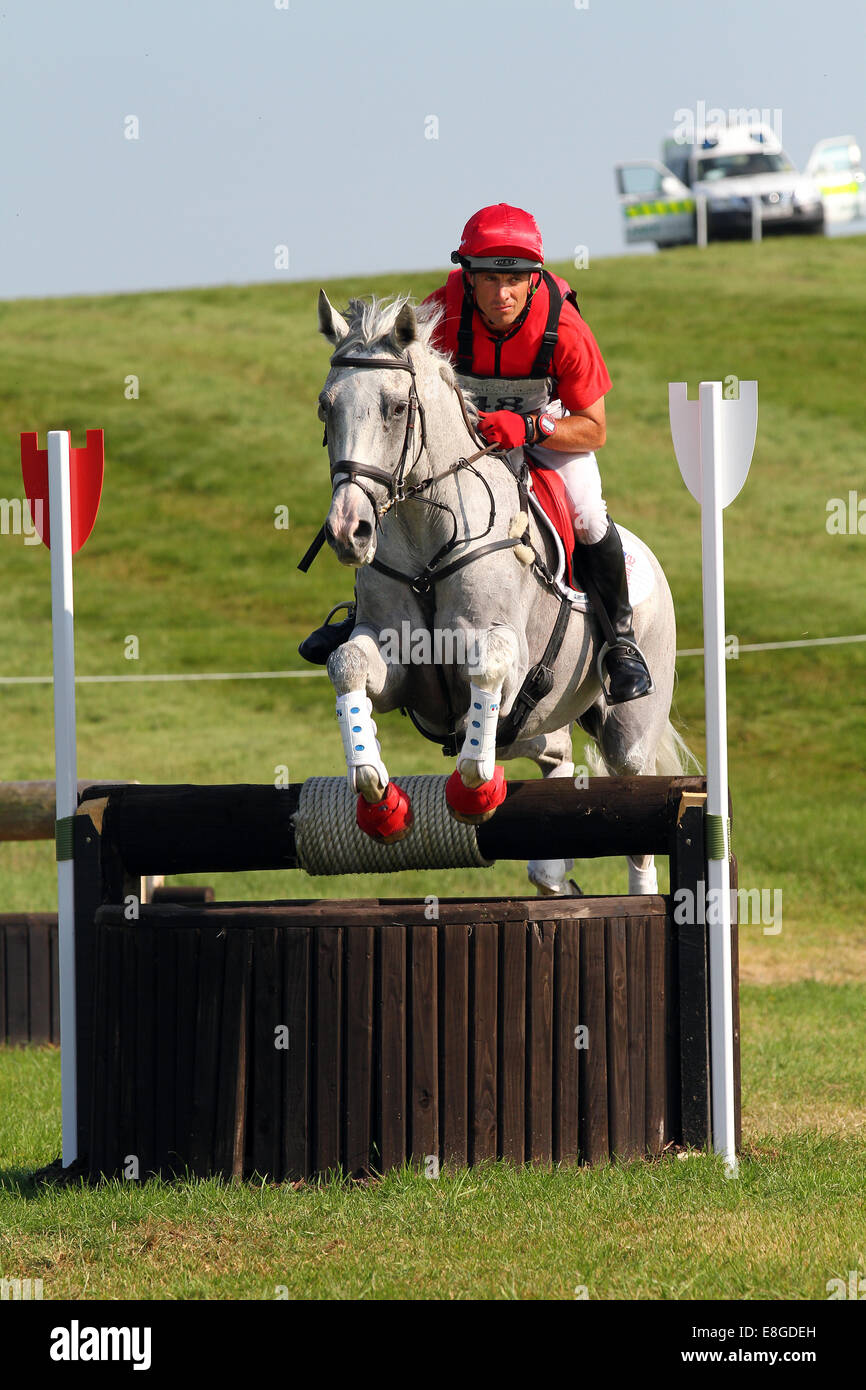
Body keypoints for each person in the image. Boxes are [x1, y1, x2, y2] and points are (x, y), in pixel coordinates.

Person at [299, 203, 652, 703]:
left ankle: (620, 643)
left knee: (589, 514)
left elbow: (594, 429)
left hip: (543, 436)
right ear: (467, 276)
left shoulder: (565, 329)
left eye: (515, 280)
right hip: (464, 437)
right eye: (488, 279)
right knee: (394, 495)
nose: (501, 294)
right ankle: (368, 617)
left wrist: (530, 426)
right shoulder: (440, 313)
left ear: (534, 279)